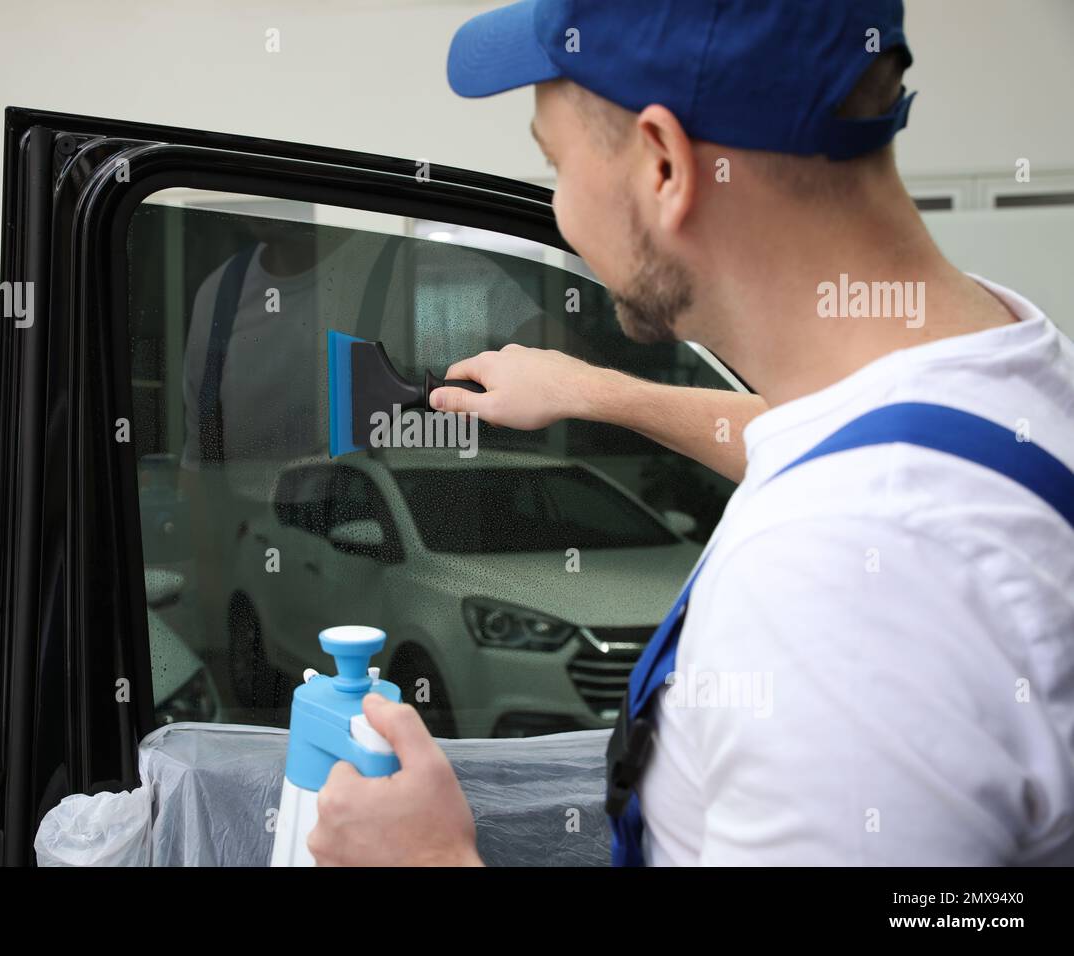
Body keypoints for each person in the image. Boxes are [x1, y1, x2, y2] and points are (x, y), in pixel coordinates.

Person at [307, 0, 1074, 866]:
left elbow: (869, 513)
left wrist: (430, 861)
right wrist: (595, 392)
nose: (559, 207)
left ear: (665, 165)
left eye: (553, 163)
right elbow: (837, 440)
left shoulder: (840, 585)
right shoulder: (998, 359)